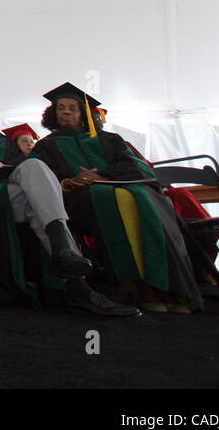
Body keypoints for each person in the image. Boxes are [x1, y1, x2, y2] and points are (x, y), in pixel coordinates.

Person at [0, 82, 139, 316]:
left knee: (34, 166)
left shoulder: (0, 139)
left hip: (4, 195)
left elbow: (18, 167)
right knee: (37, 205)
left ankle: (64, 251)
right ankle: (77, 286)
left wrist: (0, 167)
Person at [29, 83, 201, 313]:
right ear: (53, 113)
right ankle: (135, 289)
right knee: (112, 198)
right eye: (61, 108)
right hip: (76, 200)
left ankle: (171, 289)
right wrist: (72, 180)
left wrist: (100, 175)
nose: (67, 112)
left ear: (84, 114)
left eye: (73, 108)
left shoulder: (110, 140)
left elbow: (135, 168)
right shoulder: (45, 146)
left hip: (118, 188)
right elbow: (44, 175)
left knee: (147, 198)